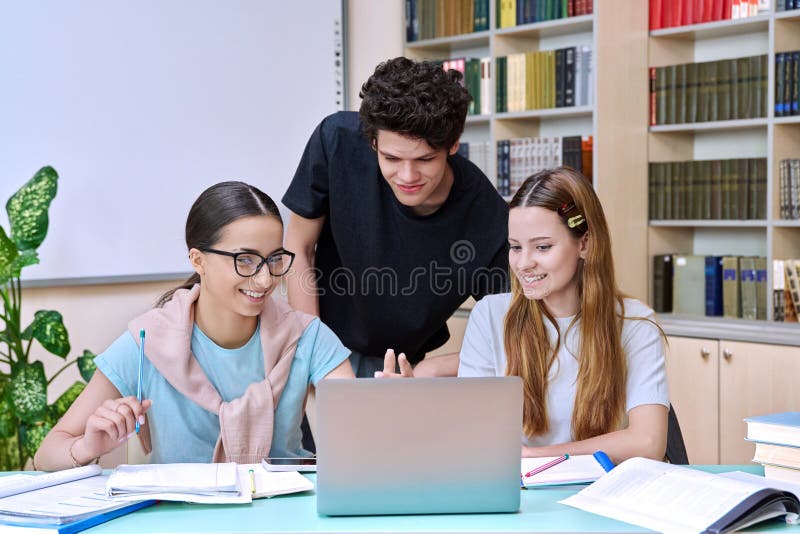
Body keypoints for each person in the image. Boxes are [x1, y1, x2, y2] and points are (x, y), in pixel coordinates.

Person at [34, 181, 354, 471]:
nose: (265, 278)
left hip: (284, 515)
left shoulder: (308, 337)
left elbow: (360, 440)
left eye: (274, 259)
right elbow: (47, 455)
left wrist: (393, 408)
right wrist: (87, 447)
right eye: (245, 260)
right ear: (198, 260)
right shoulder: (148, 341)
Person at [381, 167, 669, 463]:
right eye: (515, 247)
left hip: (601, 492)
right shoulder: (490, 315)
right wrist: (412, 410)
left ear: (584, 243)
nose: (523, 263)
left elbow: (648, 442)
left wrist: (536, 456)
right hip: (522, 495)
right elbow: (475, 433)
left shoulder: (635, 323)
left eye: (542, 247)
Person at [282, 56, 509, 380]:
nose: (407, 175)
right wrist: (315, 352)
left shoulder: (485, 216)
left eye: (425, 159)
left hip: (403, 365)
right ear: (372, 141)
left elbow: (518, 327)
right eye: (391, 157)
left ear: (453, 144)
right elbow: (298, 247)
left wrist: (429, 370)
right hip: (315, 335)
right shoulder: (337, 142)